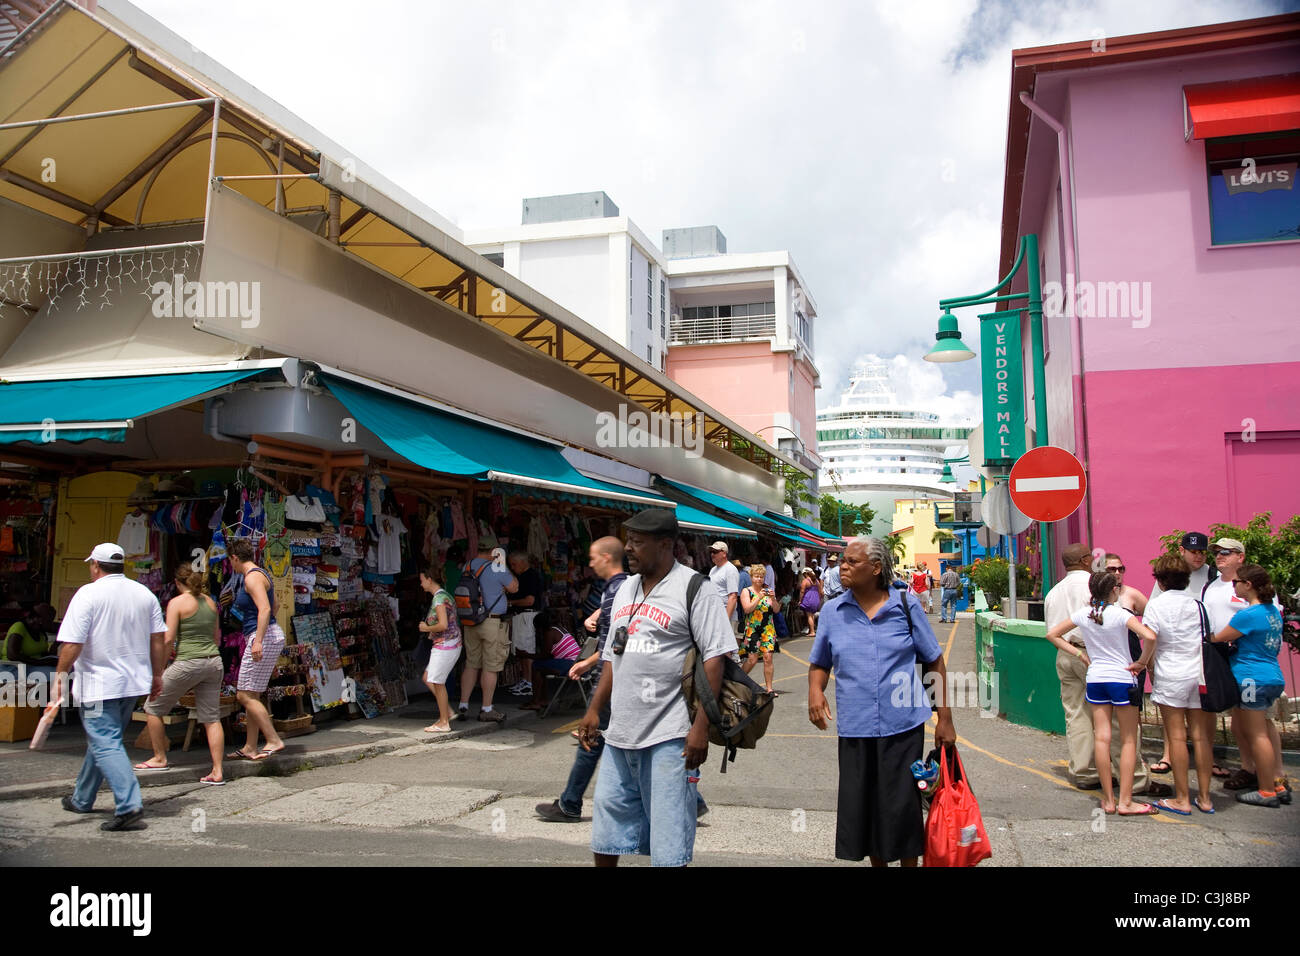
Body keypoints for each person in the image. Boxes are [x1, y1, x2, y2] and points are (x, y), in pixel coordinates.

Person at [579, 508, 734, 867]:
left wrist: (701, 728)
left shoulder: (696, 587)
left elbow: (715, 659)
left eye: (637, 541)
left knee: (669, 838)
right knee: (607, 831)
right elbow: (612, 656)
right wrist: (593, 710)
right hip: (620, 733)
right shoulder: (625, 589)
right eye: (627, 540)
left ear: (665, 544)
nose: (628, 549)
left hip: (671, 735)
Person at [809, 537, 955, 865]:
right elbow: (819, 663)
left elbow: (934, 660)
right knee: (867, 810)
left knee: (901, 807)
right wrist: (815, 691)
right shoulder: (832, 611)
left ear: (875, 568)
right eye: (842, 561)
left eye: (851, 562)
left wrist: (944, 718)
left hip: (902, 726)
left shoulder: (905, 605)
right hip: (855, 727)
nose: (842, 567)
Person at [54, 543, 165, 831]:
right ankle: (81, 798)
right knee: (105, 740)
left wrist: (59, 675)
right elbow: (158, 640)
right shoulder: (144, 594)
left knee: (105, 741)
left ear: (95, 565)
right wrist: (157, 675)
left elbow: (73, 643)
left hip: (98, 684)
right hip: (132, 684)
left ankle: (129, 806)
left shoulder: (88, 594)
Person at [1045, 544, 1161, 795]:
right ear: (1086, 560)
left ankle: (1085, 772)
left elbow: (1051, 631)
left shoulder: (1054, 591)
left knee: (1076, 715)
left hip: (1067, 653)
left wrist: (1075, 652)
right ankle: (1132, 777)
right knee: (1118, 723)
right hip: (1097, 658)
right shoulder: (1094, 585)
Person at [536, 536, 627, 822]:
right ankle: (570, 802)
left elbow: (616, 644)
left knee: (594, 742)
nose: (590, 563)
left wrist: (592, 666)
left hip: (611, 682)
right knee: (600, 744)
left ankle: (570, 804)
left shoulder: (617, 591)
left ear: (607, 558)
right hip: (610, 678)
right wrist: (588, 663)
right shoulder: (614, 589)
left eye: (593, 557)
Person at [1203, 538, 1283, 791]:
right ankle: (1250, 768)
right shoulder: (1212, 586)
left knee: (1259, 726)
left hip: (1251, 666)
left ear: (1241, 557)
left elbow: (1230, 630)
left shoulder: (1256, 595)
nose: (1219, 556)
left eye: (1226, 552)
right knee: (1240, 722)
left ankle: (1273, 779)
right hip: (1232, 661)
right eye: (1216, 552)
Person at [1138, 555, 1215, 814]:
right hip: (1199, 674)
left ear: (1160, 581)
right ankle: (1205, 797)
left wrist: (1143, 662)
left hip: (1170, 674)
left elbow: (1150, 637)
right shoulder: (1199, 605)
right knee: (1202, 737)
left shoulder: (1157, 606)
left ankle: (1182, 798)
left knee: (1177, 737)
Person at [137, 567, 226, 784]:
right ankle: (217, 771)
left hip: (188, 661)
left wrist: (160, 671)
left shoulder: (176, 603)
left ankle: (159, 758)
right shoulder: (210, 602)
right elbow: (217, 636)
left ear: (178, 583)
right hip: (213, 662)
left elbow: (168, 639)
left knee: (153, 707)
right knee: (211, 718)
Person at [1211, 564, 1290, 807]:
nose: (1233, 586)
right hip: (1271, 675)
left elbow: (1219, 637)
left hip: (1250, 677)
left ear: (1248, 585)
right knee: (1265, 729)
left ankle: (1266, 790)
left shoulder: (1247, 614)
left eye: (1237, 582)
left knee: (1255, 735)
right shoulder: (1272, 611)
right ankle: (1277, 782)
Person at [227, 537, 287, 761]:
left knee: (243, 694)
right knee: (252, 694)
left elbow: (265, 609)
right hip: (268, 634)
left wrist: (259, 640)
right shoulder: (262, 574)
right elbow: (276, 605)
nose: (230, 565)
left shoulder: (251, 579)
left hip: (262, 636)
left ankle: (273, 739)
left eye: (230, 561)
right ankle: (250, 746)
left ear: (235, 558)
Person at [455, 541, 518, 723]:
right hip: (491, 621)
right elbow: (514, 586)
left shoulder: (467, 565)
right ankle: (486, 708)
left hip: (470, 621)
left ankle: (463, 705)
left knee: (471, 663)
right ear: (494, 551)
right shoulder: (497, 567)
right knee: (491, 666)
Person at [418, 566, 461, 733]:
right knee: (429, 678)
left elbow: (442, 624)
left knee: (437, 681)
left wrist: (425, 628)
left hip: (445, 645)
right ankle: (447, 712)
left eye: (422, 580)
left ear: (429, 579)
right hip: (449, 643)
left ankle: (444, 721)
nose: (421, 584)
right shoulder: (444, 595)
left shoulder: (438, 599)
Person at [520, 611, 582, 710]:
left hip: (571, 665)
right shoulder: (560, 629)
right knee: (542, 666)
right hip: (578, 663)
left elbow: (545, 655)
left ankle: (536, 701)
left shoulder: (550, 632)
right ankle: (543, 700)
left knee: (536, 666)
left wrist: (525, 655)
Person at [506, 551, 545, 698]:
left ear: (522, 562)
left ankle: (529, 682)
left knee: (526, 650)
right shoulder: (522, 577)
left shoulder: (530, 576)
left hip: (527, 615)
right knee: (521, 650)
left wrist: (510, 603)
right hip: (521, 616)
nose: (512, 567)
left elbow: (530, 600)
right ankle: (525, 680)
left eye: (514, 564)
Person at [738, 563, 777, 693]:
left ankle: (769, 689)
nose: (759, 579)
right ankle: (738, 681)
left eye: (761, 577)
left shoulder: (767, 590)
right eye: (756, 576)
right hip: (753, 628)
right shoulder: (746, 591)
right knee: (752, 659)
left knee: (768, 658)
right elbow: (747, 609)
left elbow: (776, 610)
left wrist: (773, 598)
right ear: (751, 577)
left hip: (768, 628)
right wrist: (758, 597)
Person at [1148, 532, 1216, 600]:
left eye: (1202, 552)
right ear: (1182, 550)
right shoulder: (1168, 573)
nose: (1199, 556)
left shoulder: (1215, 575)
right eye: (1193, 551)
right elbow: (1155, 603)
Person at [708, 541, 740, 633]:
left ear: (724, 553)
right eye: (711, 552)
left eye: (715, 552)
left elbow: (733, 597)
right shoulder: (713, 570)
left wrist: (725, 620)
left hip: (726, 617)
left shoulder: (730, 570)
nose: (712, 554)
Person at [798, 568, 823, 637]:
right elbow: (821, 591)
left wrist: (800, 600)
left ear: (805, 574)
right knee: (812, 615)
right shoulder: (817, 581)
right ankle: (812, 630)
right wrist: (819, 599)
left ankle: (812, 631)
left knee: (809, 616)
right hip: (816, 599)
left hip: (808, 599)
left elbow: (802, 591)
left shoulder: (805, 581)